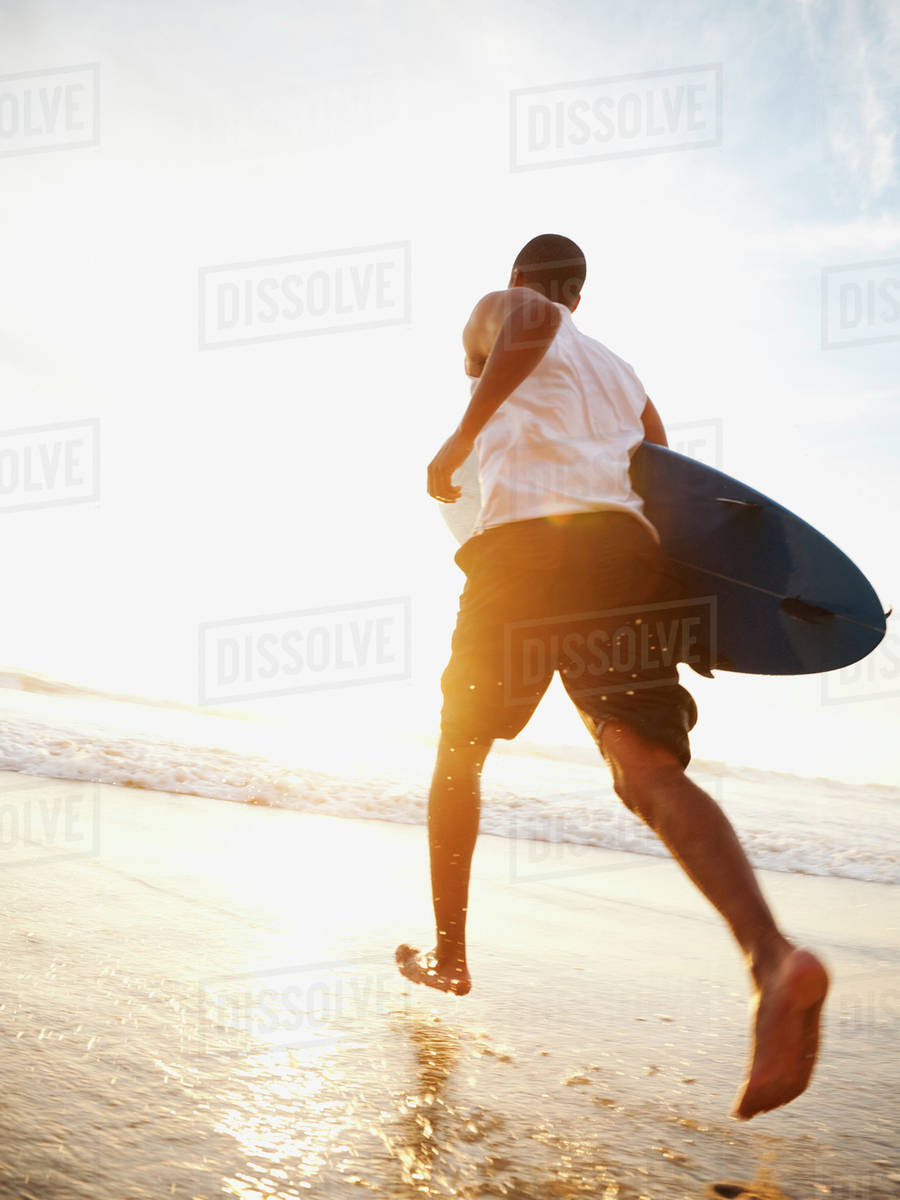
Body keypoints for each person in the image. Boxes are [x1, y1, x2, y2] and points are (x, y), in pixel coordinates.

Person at [395, 234, 829, 1120]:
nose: (470, 362)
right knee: (646, 770)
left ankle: (452, 953)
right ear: (584, 297)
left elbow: (518, 330)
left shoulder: (512, 308)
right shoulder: (625, 377)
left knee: (460, 751)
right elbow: (669, 486)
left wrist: (459, 435)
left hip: (524, 556)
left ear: (529, 284)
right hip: (625, 559)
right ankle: (770, 956)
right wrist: (687, 607)